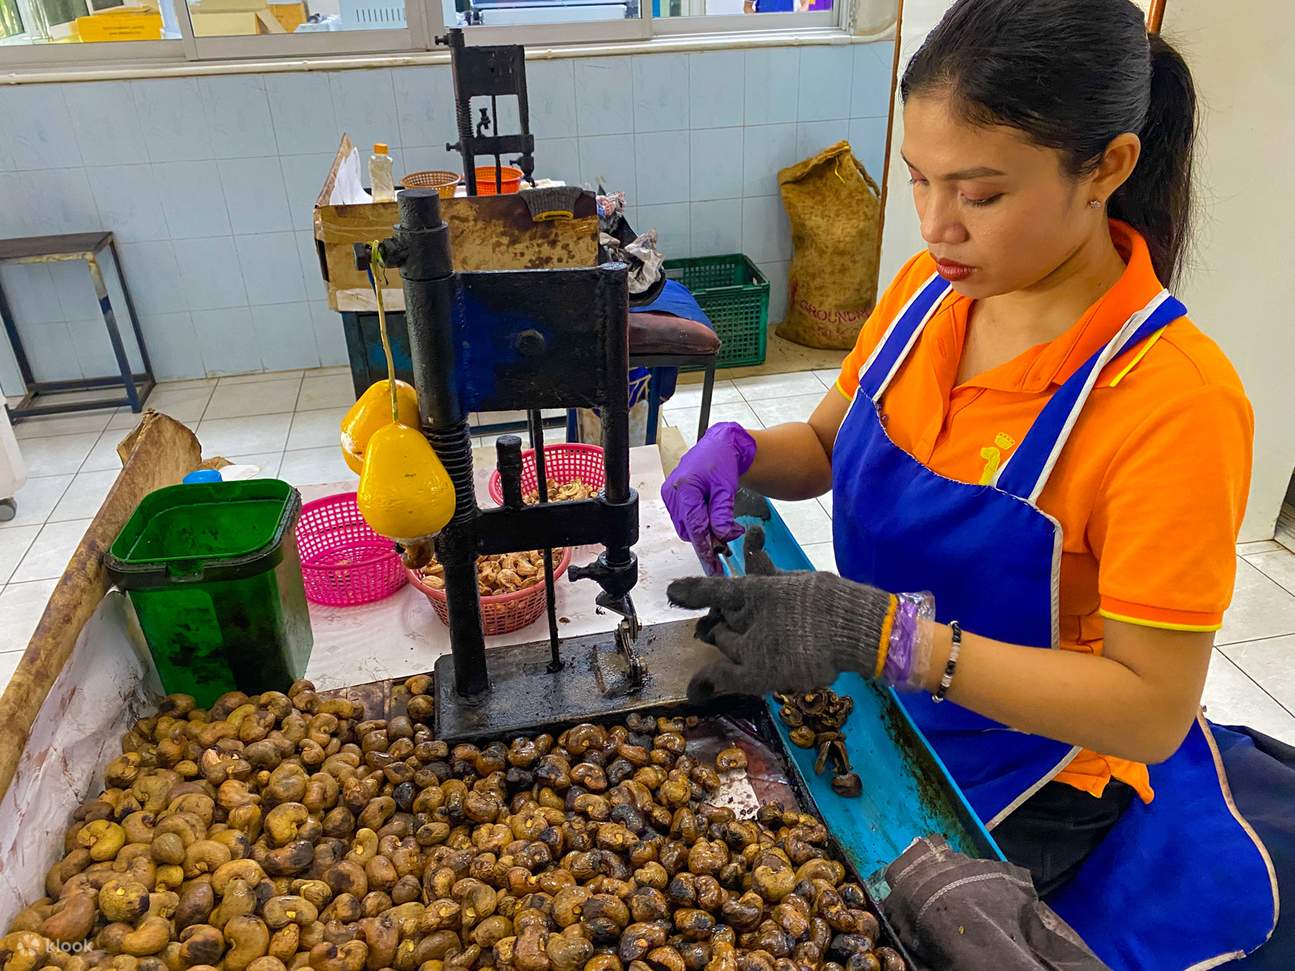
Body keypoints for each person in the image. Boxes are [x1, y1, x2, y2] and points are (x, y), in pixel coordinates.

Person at [662, 1, 1295, 967]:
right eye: (918, 180)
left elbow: (1150, 707)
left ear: (1107, 168)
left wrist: (892, 637)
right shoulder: (929, 291)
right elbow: (829, 442)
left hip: (1035, 768)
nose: (935, 223)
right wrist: (745, 451)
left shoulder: (1171, 402)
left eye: (980, 193)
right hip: (879, 697)